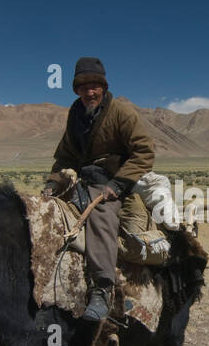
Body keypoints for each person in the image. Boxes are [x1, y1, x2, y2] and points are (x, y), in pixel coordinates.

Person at [43, 57, 155, 321]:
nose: (89, 91)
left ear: (103, 87)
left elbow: (144, 151)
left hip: (112, 181)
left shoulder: (121, 112)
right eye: (83, 86)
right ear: (76, 89)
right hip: (81, 178)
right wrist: (51, 183)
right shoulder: (76, 114)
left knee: (101, 216)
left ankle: (102, 289)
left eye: (94, 85)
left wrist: (117, 184)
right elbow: (65, 156)